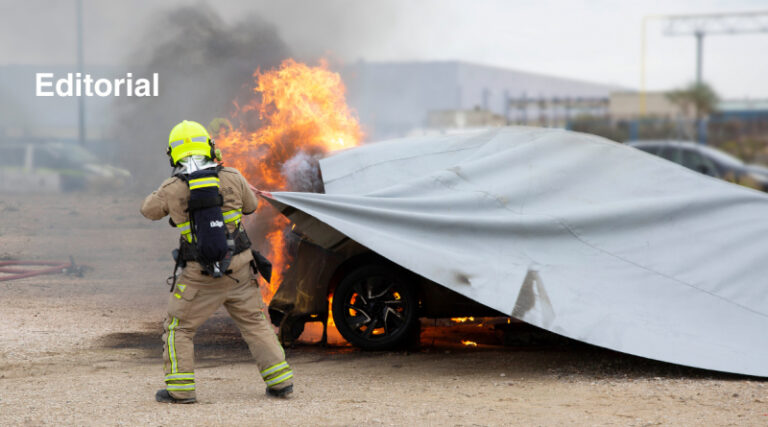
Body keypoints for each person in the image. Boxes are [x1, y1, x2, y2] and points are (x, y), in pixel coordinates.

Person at [141, 120, 293, 404]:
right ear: (210, 147)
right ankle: (281, 382)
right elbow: (251, 206)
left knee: (179, 328)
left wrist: (166, 190)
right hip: (239, 269)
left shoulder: (173, 187)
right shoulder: (233, 176)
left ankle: (181, 390)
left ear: (173, 154)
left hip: (199, 276)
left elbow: (148, 211)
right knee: (255, 323)